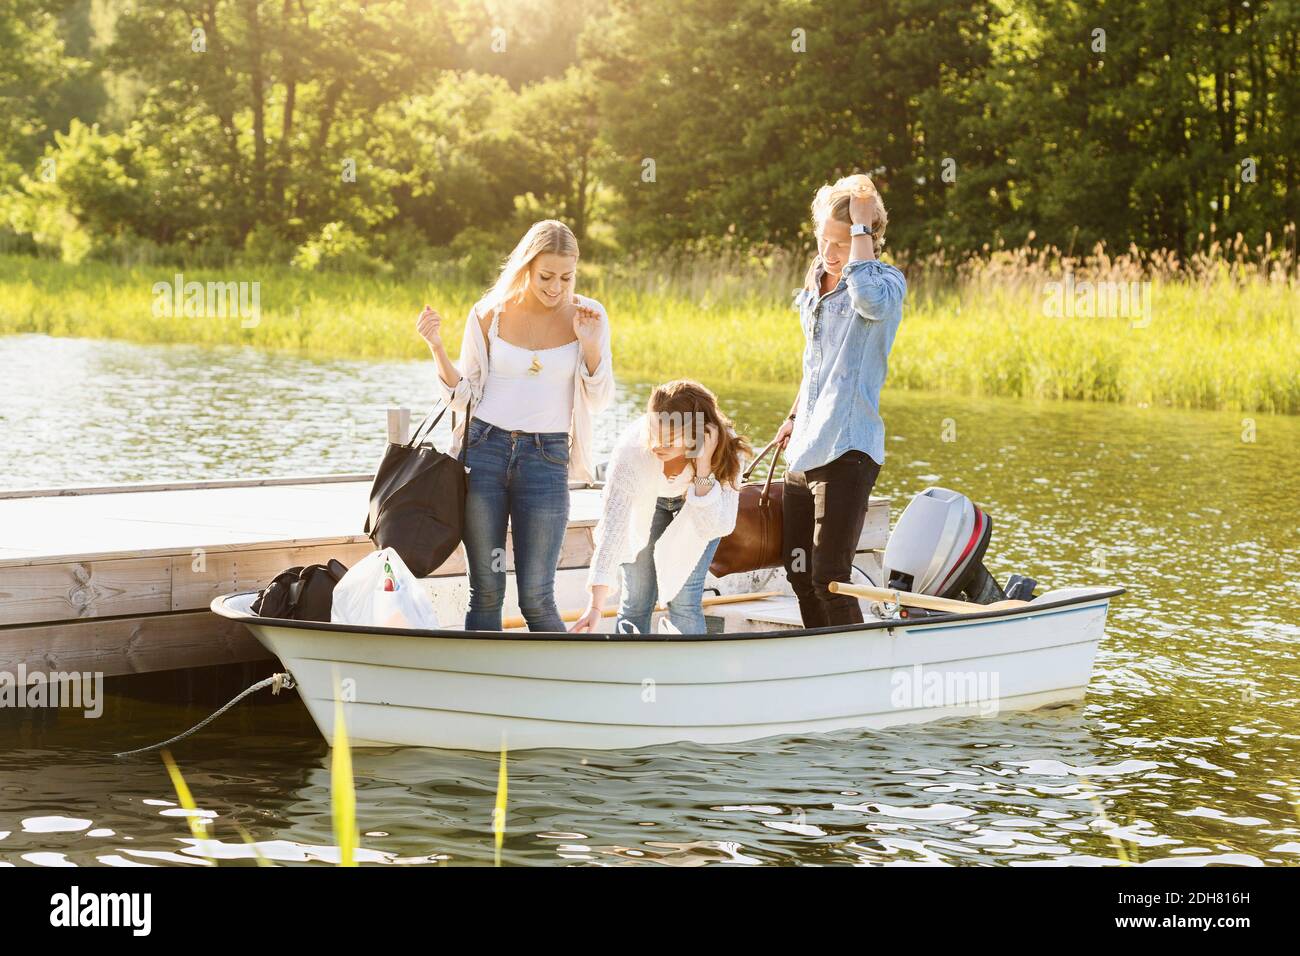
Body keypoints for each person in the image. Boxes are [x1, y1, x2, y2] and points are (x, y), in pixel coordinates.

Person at [417, 219, 615, 631]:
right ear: (526, 266)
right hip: (484, 451)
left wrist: (592, 345)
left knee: (538, 598)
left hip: (547, 458)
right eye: (546, 276)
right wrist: (437, 348)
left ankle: (560, 689)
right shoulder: (489, 313)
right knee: (486, 591)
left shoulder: (589, 316)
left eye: (567, 276)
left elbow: (598, 400)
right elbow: (463, 398)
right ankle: (480, 690)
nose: (556, 287)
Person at [773, 174, 906, 628]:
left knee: (830, 577)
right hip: (804, 446)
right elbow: (816, 365)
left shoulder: (885, 283)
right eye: (823, 239)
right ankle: (819, 662)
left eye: (842, 242)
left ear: (869, 237)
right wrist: (793, 416)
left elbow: (867, 299)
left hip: (848, 448)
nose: (830, 253)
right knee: (799, 573)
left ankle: (856, 670)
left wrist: (860, 229)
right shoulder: (814, 284)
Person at [570, 380, 751, 635]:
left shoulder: (726, 449)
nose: (656, 445)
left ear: (696, 432)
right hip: (648, 502)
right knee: (636, 600)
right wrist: (595, 607)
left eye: (669, 439)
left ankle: (685, 673)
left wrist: (703, 468)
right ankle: (629, 671)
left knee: (685, 601)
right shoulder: (632, 451)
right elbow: (613, 529)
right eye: (654, 433)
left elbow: (716, 525)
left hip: (699, 507)